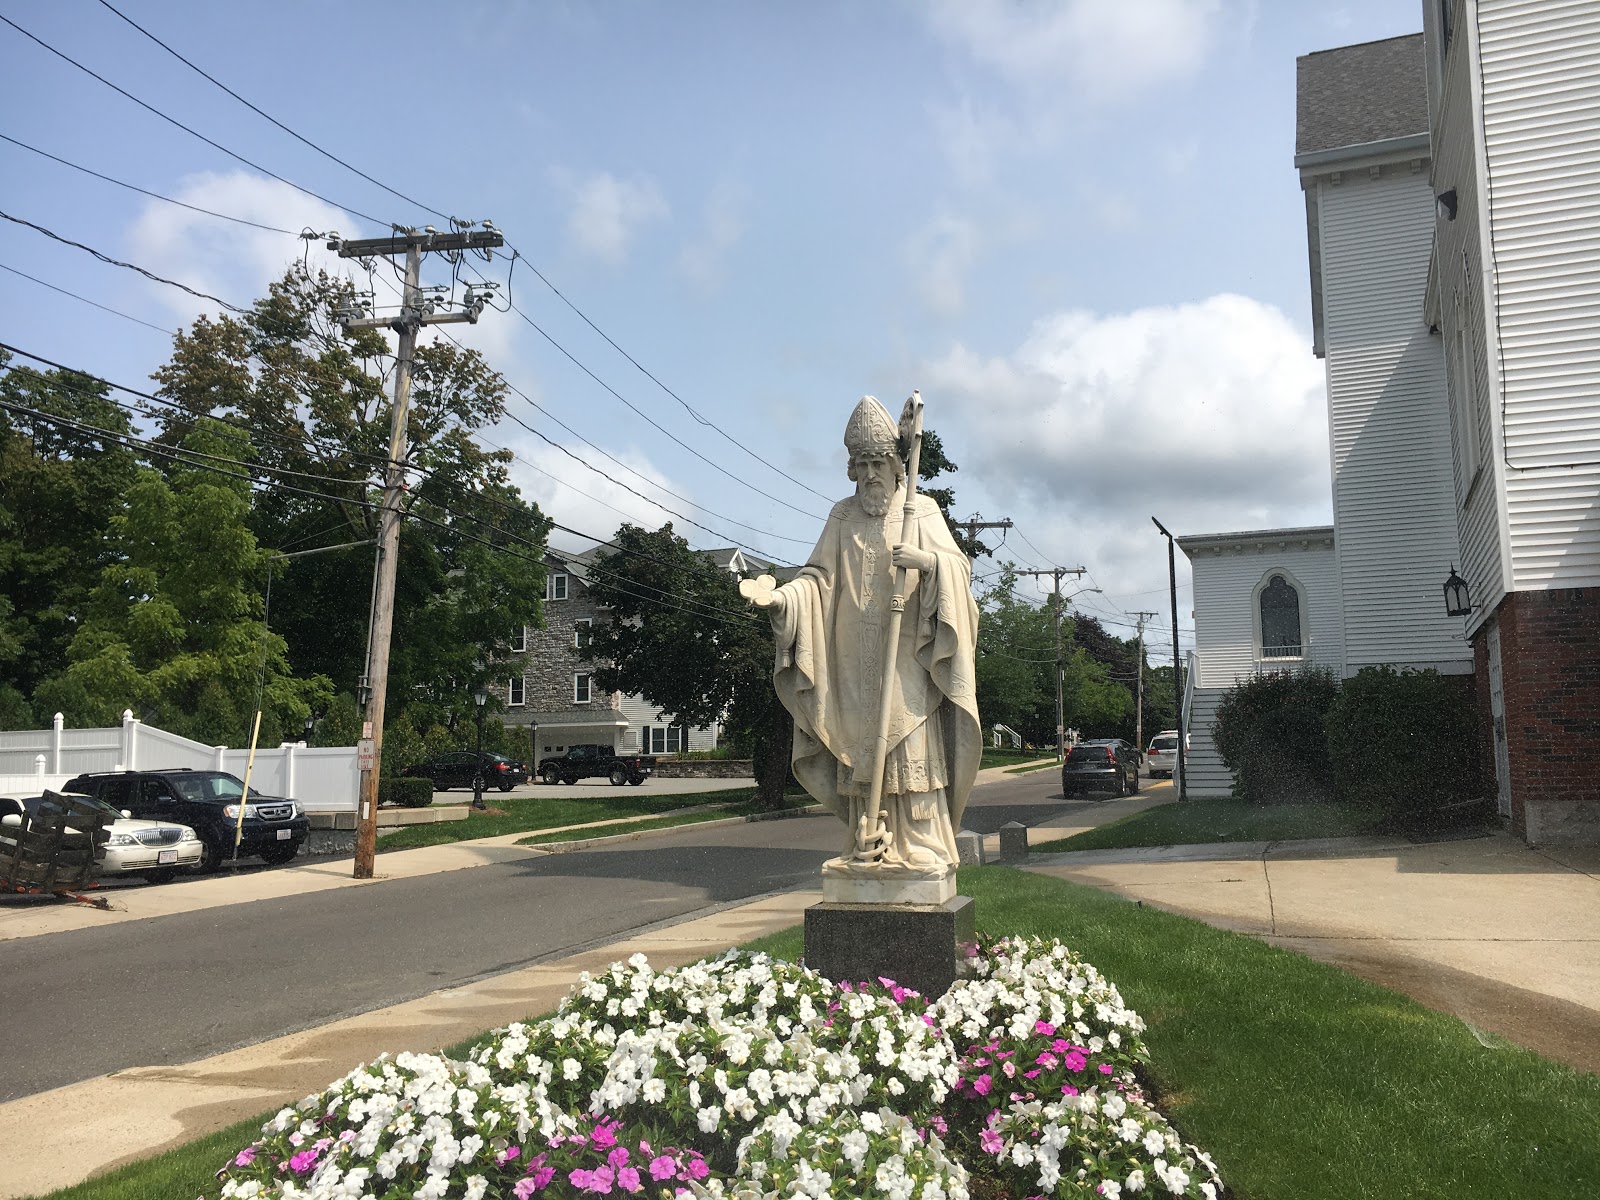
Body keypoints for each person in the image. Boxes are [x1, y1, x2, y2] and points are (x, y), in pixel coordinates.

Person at [743, 396, 981, 876]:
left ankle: (921, 847)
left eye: (880, 462)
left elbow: (960, 570)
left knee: (909, 747)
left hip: (907, 661)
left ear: (897, 465)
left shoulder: (923, 511)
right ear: (852, 469)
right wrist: (785, 600)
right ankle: (865, 843)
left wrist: (927, 563)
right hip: (855, 664)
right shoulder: (842, 516)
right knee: (861, 751)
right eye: (863, 464)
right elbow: (817, 579)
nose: (872, 474)